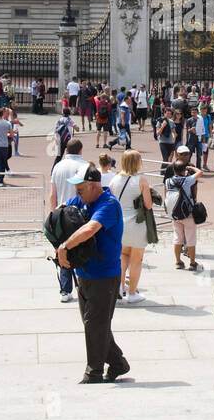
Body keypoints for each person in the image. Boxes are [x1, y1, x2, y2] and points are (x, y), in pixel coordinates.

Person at [56, 162, 130, 383]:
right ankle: (118, 363)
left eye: (80, 189)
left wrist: (64, 246)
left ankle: (94, 372)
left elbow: (90, 229)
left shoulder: (108, 204)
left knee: (95, 325)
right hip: (85, 273)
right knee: (95, 325)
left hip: (105, 276)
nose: (76, 194)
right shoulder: (82, 200)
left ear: (93, 185)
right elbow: (66, 209)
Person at [49, 139, 88, 302]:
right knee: (82, 248)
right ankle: (84, 285)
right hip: (79, 213)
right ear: (80, 150)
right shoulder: (85, 166)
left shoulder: (58, 166)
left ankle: (65, 289)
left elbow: (53, 194)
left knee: (63, 248)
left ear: (66, 150)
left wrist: (52, 215)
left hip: (61, 213)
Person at [112, 150, 153, 303]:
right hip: (136, 224)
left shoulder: (114, 180)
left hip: (120, 225)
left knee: (123, 257)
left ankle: (119, 288)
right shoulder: (141, 179)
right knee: (137, 259)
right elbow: (148, 205)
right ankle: (132, 292)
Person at [166, 157, 204, 271]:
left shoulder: (168, 181)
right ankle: (192, 263)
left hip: (175, 213)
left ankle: (178, 261)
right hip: (188, 213)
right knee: (191, 237)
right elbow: (200, 172)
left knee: (177, 237)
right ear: (184, 170)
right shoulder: (187, 180)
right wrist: (191, 167)